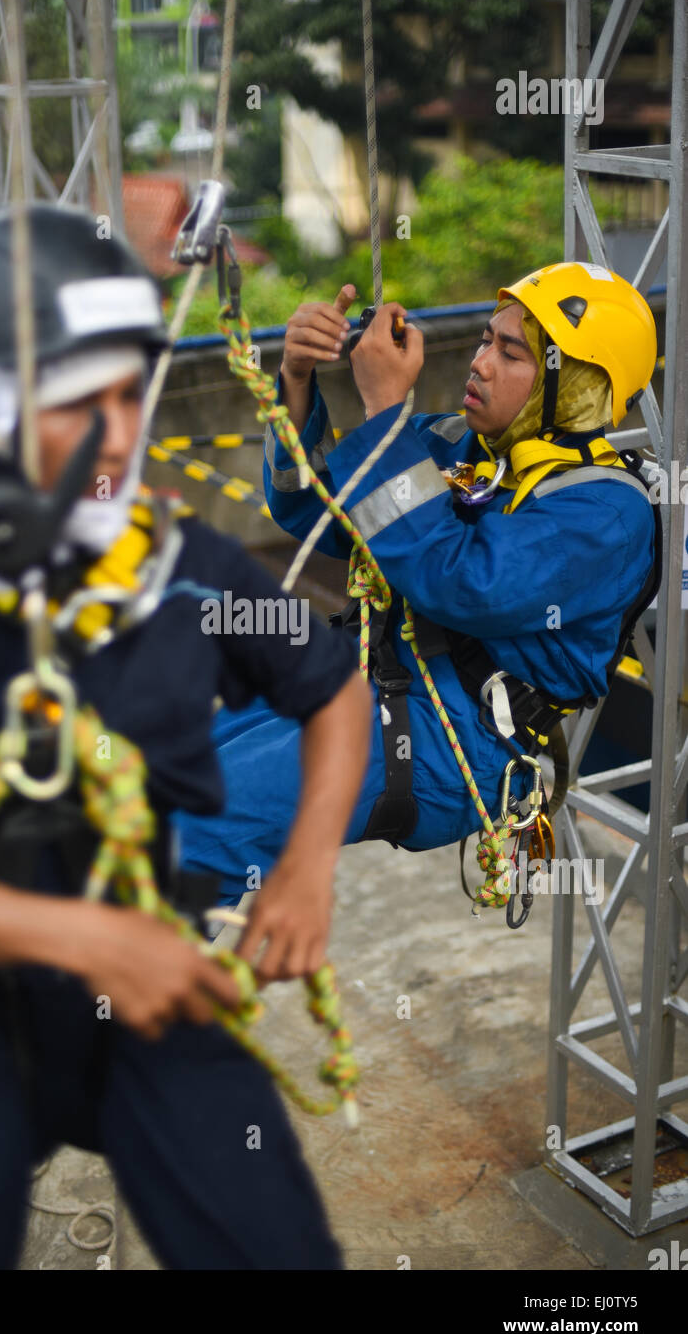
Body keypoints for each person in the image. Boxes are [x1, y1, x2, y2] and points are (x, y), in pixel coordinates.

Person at [0, 202, 371, 1270]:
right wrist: (79, 938)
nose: (120, 434)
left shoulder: (185, 570)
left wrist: (307, 870)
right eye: (82, 402)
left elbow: (332, 687)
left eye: (131, 394)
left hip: (155, 977)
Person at [176, 261, 659, 903]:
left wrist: (383, 413)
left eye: (509, 351)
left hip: (462, 742)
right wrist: (296, 380)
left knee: (197, 827)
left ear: (571, 384)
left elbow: (461, 582)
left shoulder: (605, 512)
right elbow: (311, 507)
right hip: (380, 680)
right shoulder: (461, 447)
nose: (480, 361)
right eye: (486, 339)